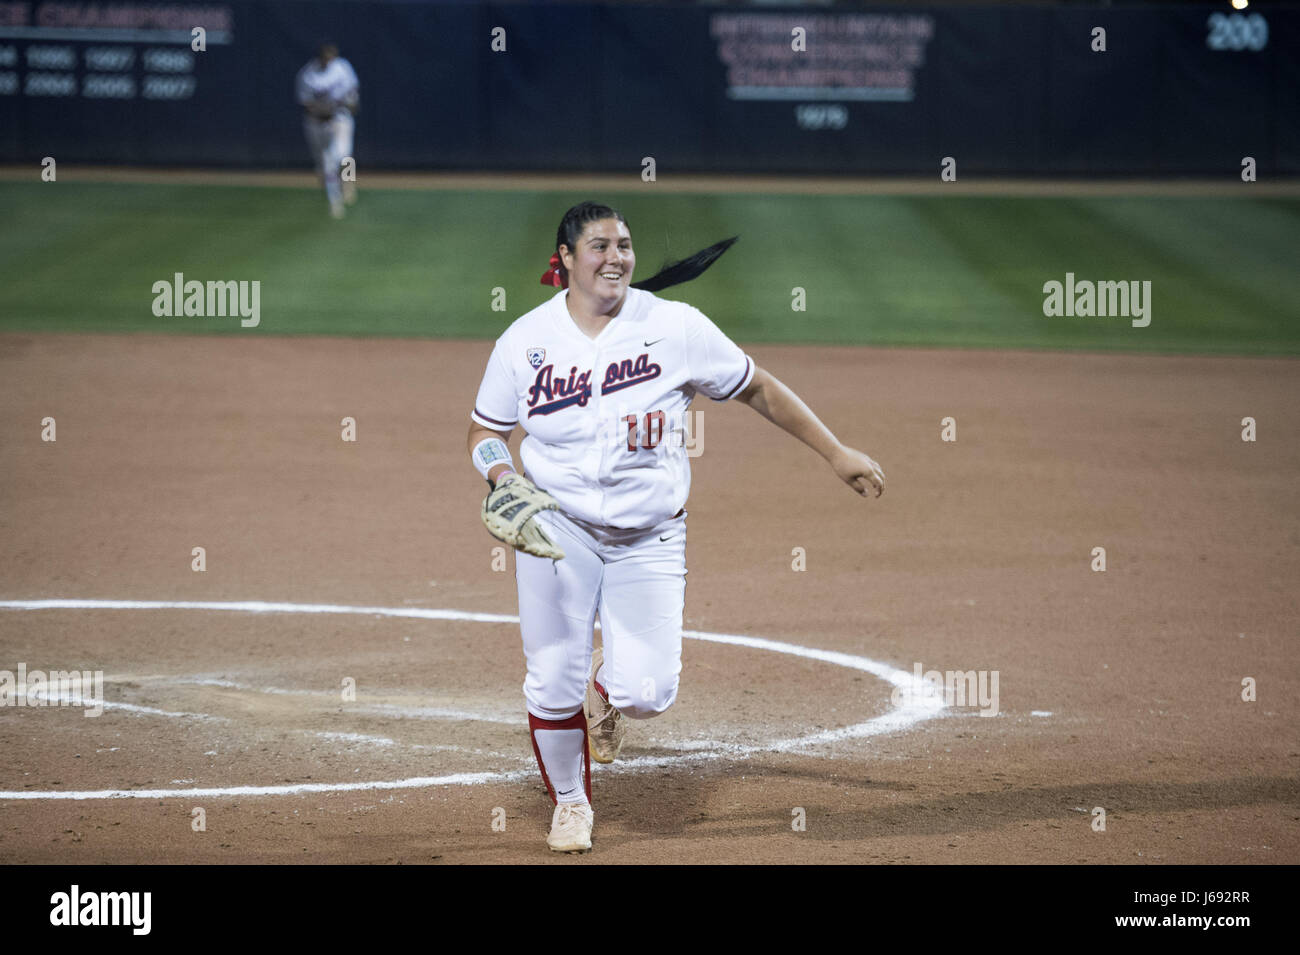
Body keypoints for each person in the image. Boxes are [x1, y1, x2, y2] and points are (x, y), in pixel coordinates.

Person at [466, 201, 885, 853]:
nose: (616, 256)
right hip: (557, 530)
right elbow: (486, 430)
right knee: (551, 676)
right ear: (566, 259)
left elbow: (757, 387)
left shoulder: (675, 327)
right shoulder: (525, 340)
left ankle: (607, 689)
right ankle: (571, 803)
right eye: (600, 245)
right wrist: (500, 476)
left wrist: (836, 451)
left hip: (651, 535)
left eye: (625, 244)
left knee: (649, 691)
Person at [295, 41, 359, 219]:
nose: (329, 61)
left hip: (340, 120)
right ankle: (332, 187)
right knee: (323, 163)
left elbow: (353, 97)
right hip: (316, 124)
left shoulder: (342, 68)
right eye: (326, 58)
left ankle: (344, 188)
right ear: (319, 58)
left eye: (332, 57)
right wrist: (325, 109)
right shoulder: (308, 75)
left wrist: (346, 106)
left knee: (344, 156)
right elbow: (306, 104)